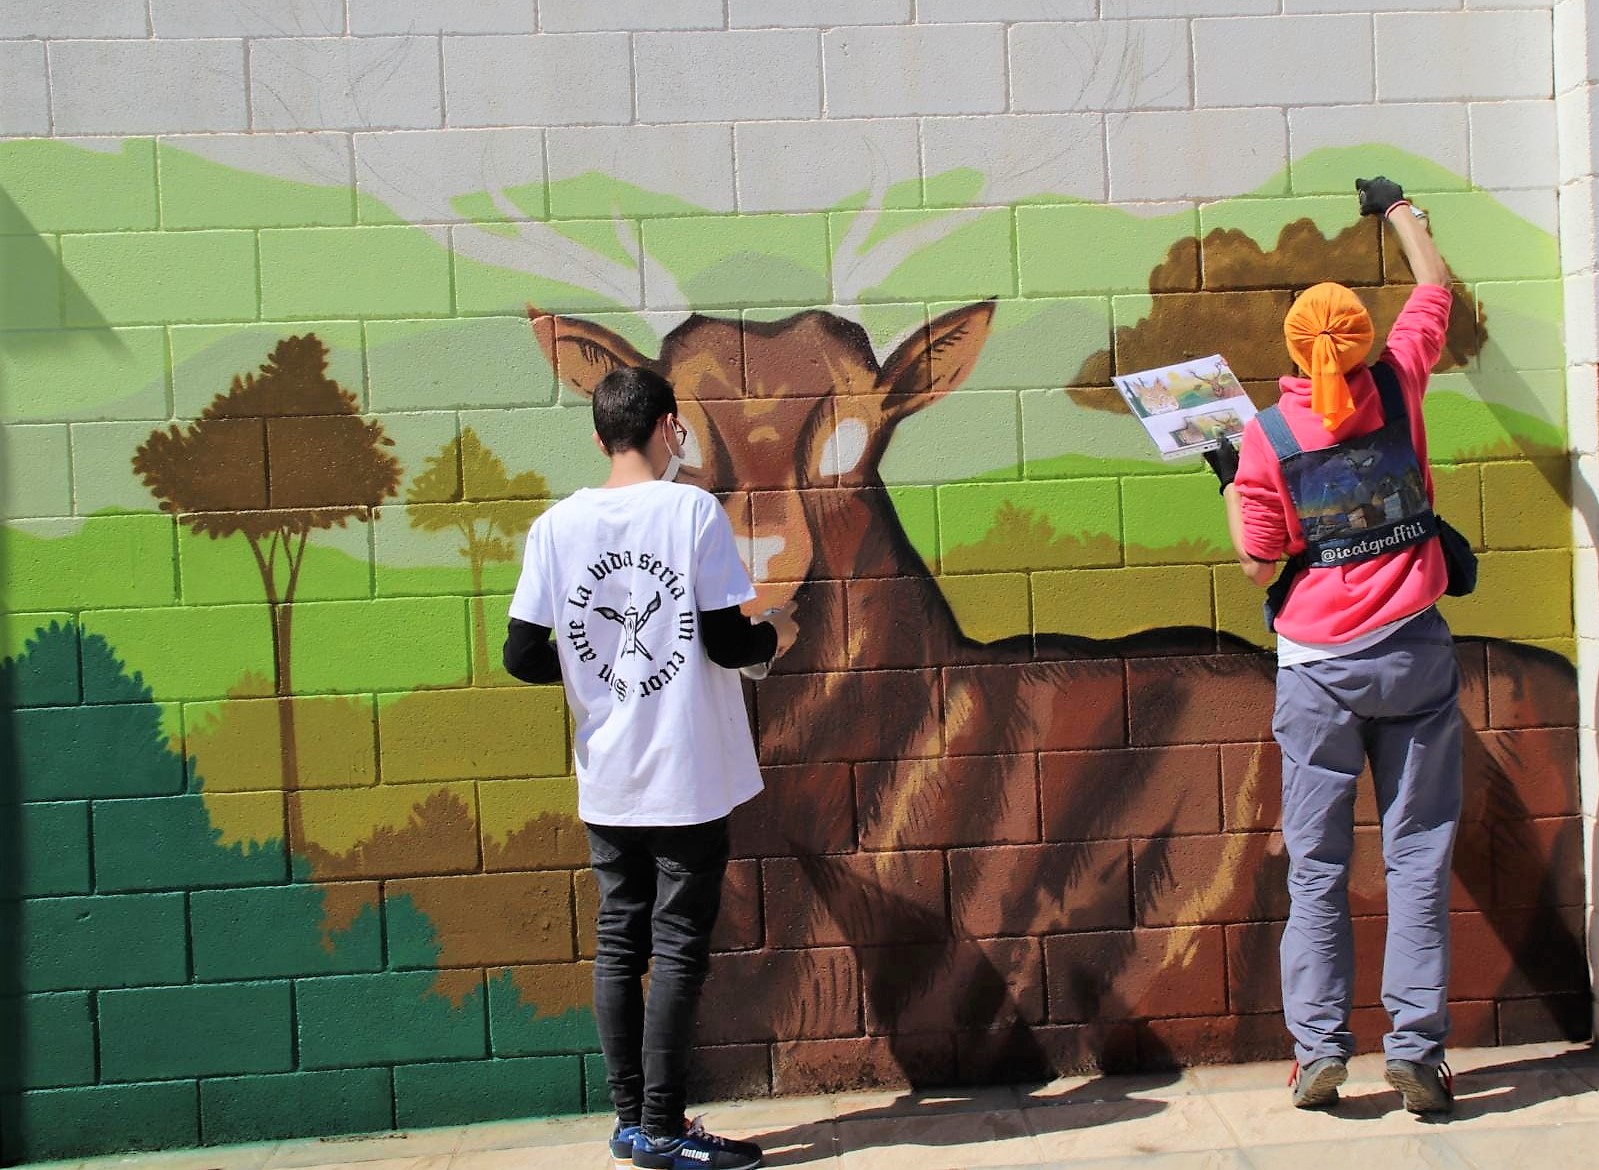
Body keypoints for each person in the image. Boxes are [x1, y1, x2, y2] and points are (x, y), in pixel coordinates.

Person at [1203, 177, 1462, 1115]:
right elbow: (1434, 294)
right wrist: (1400, 216)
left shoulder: (1266, 437)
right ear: (1359, 341)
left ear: (1291, 350)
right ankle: (1416, 1054)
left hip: (1316, 672)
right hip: (1413, 656)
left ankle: (1318, 1052)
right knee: (1416, 855)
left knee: (1315, 865)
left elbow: (1253, 561)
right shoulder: (1399, 380)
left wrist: (1231, 479)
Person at [503, 366, 797, 1170]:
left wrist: (600, 680)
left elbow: (522, 656)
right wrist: (774, 633)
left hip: (609, 777)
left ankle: (633, 1122)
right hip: (685, 774)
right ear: (669, 426)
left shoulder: (556, 529)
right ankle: (664, 1129)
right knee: (675, 950)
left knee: (618, 942)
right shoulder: (691, 512)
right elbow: (726, 642)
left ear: (600, 437)